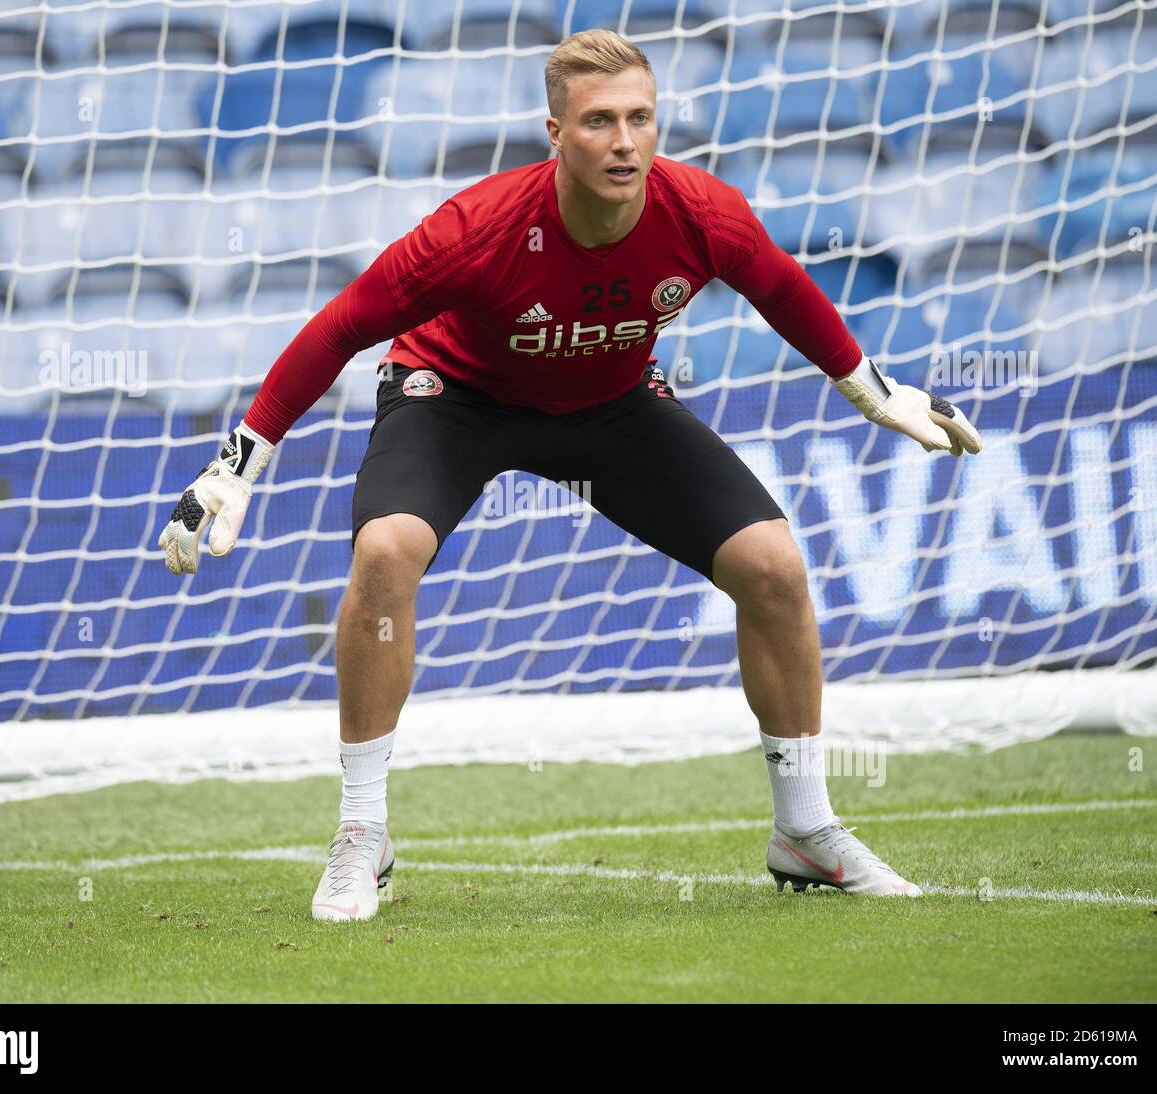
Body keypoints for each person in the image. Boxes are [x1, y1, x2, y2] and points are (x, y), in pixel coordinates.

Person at [158, 29, 981, 920]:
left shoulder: (703, 213)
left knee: (775, 567)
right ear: (556, 133)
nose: (623, 141)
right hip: (455, 397)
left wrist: (871, 392)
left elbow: (781, 287)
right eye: (598, 122)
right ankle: (363, 834)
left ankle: (805, 831)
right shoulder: (478, 230)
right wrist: (242, 461)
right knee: (386, 553)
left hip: (610, 403)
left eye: (639, 118)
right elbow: (341, 326)